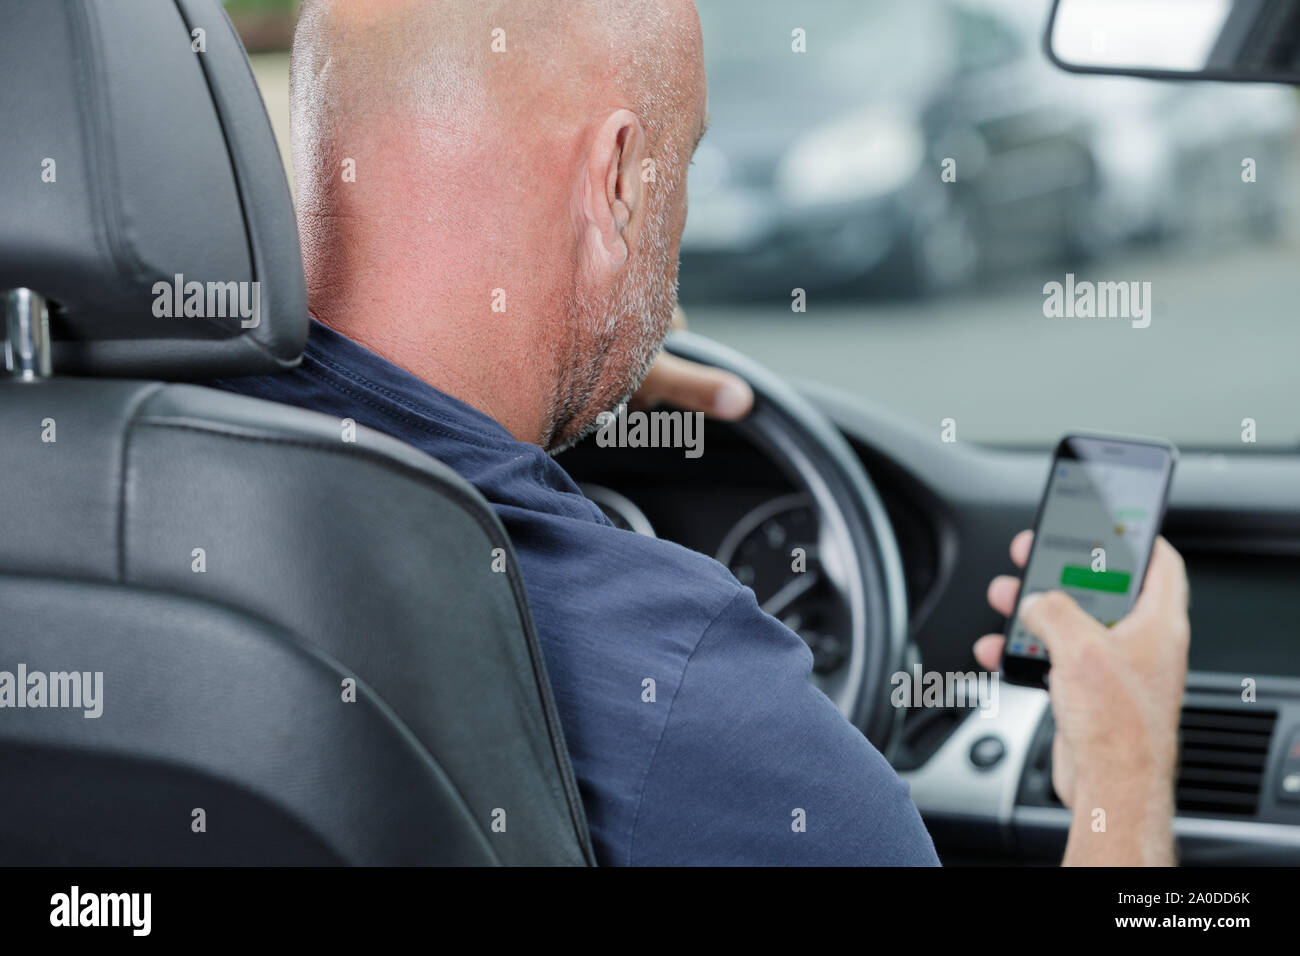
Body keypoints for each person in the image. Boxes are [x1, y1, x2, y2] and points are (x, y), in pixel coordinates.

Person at [212, 0, 1189, 865]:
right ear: (618, 179)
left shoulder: (111, 446)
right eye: (680, 167)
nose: (670, 261)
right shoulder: (683, 686)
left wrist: (582, 355)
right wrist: (1123, 776)